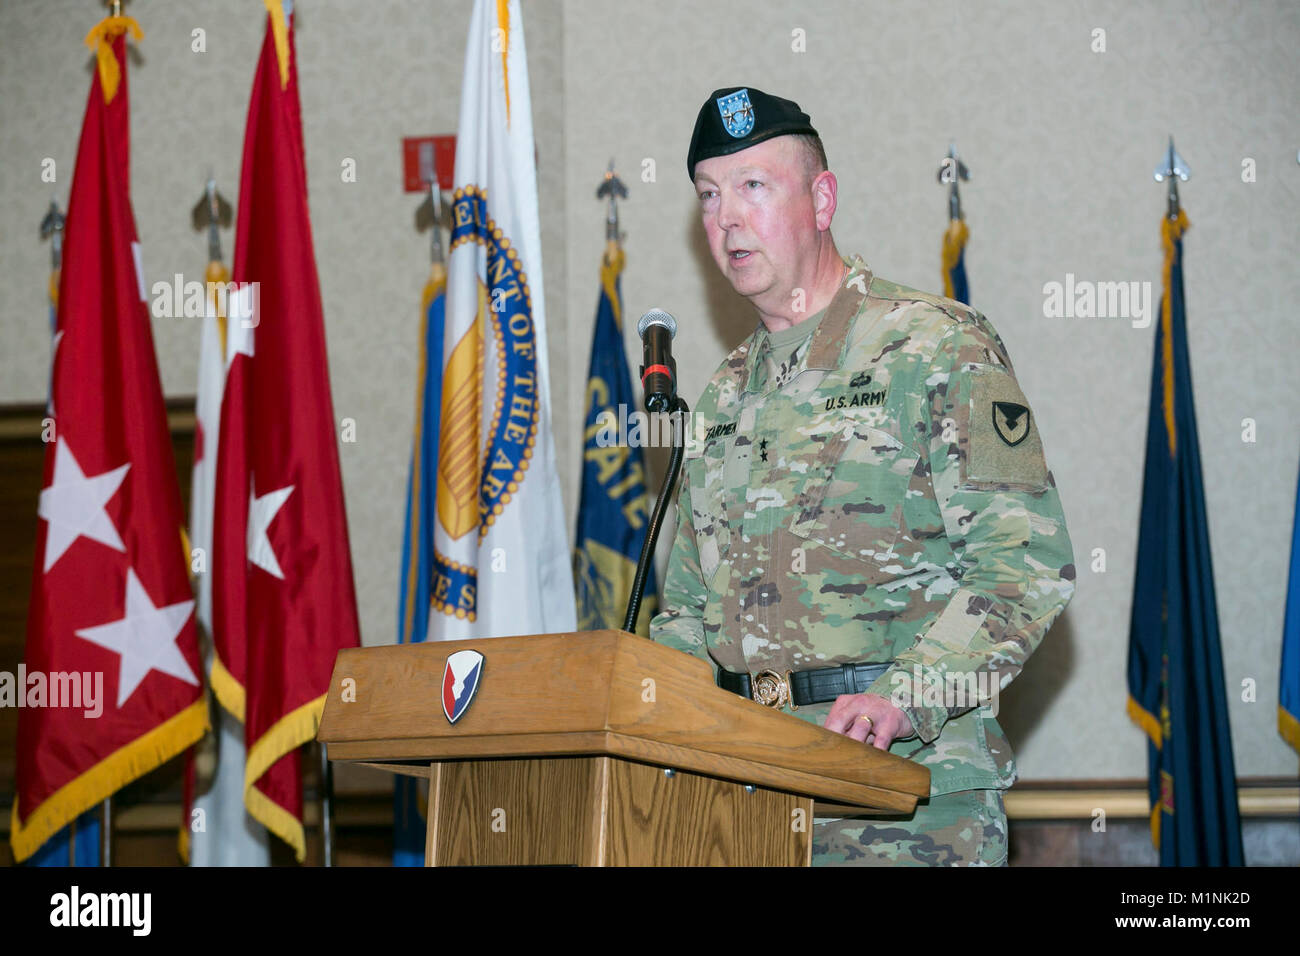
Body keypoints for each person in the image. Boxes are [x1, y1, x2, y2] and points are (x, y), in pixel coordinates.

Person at [649, 86, 1075, 866]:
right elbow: (685, 617)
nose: (727, 219)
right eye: (709, 196)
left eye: (753, 186)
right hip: (741, 809)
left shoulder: (936, 346)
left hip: (905, 806)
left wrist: (903, 697)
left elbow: (1024, 567)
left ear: (821, 198)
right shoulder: (719, 397)